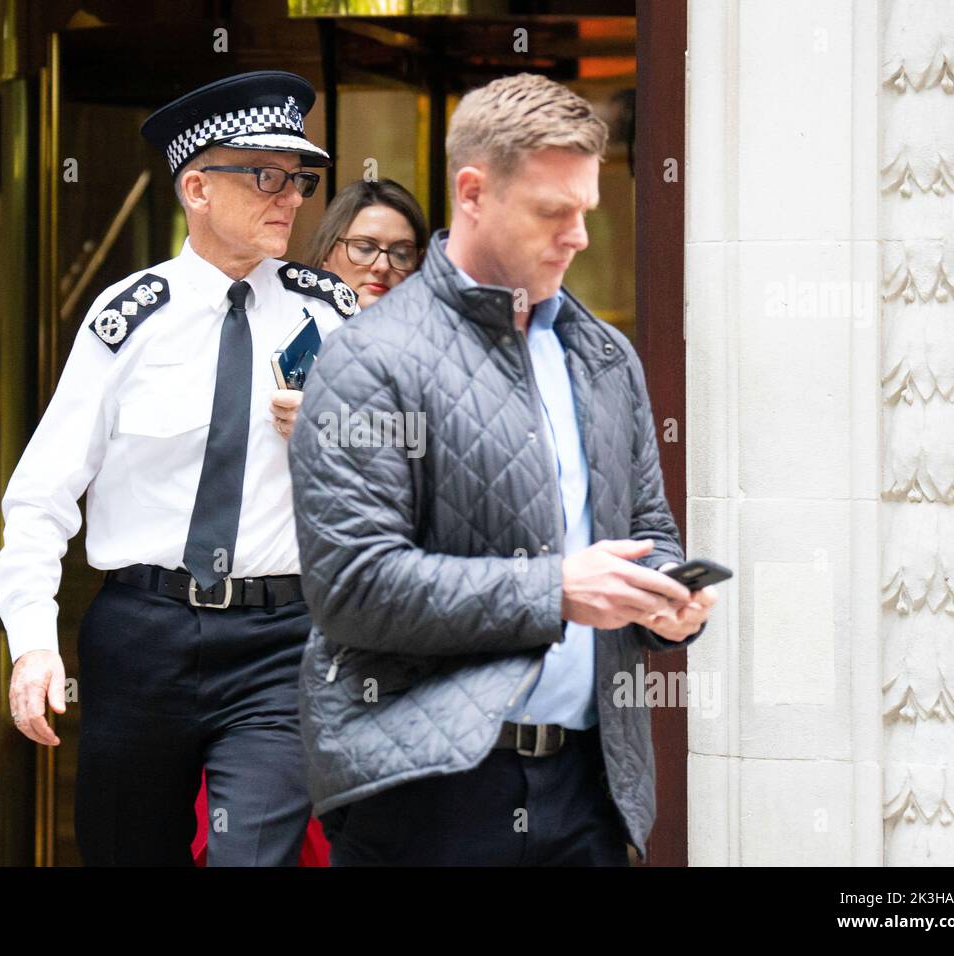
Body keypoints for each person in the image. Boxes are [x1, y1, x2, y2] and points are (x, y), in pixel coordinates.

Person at [288, 72, 718, 866]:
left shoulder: (604, 355)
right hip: (426, 788)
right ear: (474, 193)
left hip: (592, 787)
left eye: (585, 209)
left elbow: (647, 530)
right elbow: (353, 585)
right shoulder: (369, 357)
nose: (580, 236)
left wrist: (664, 595)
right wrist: (557, 589)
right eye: (554, 212)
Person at [0, 70, 357, 866]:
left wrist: (338, 435)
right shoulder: (129, 317)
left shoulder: (332, 314)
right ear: (196, 186)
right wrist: (31, 642)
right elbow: (42, 493)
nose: (289, 196)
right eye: (264, 175)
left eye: (299, 179)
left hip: (281, 636)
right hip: (142, 638)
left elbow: (402, 477)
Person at [305, 178, 427, 308]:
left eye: (401, 254)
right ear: (326, 253)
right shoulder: (292, 321)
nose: (383, 266)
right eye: (365, 248)